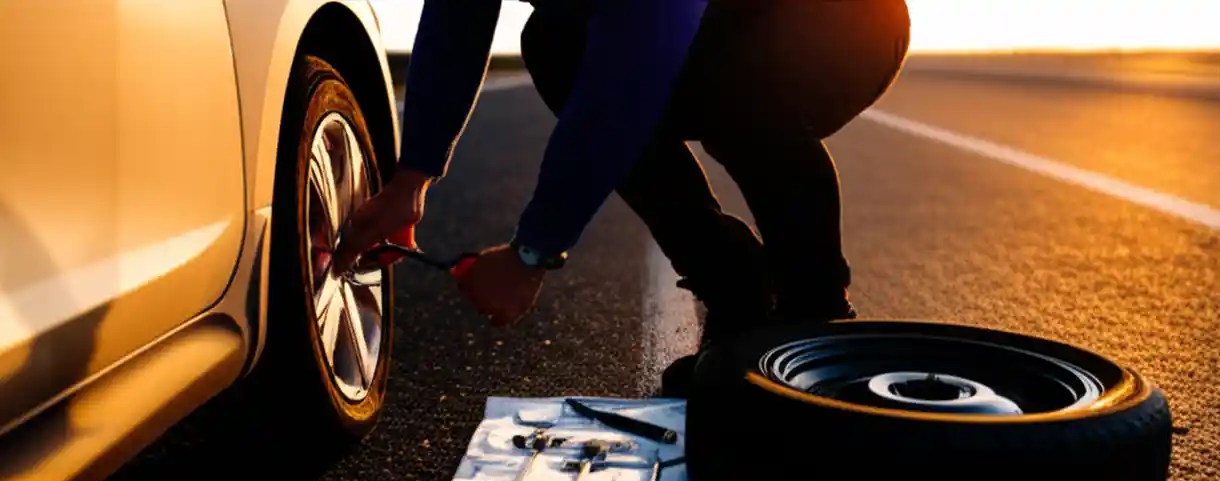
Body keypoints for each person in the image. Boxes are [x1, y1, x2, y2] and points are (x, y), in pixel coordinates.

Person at [334, 0, 911, 396]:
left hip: (840, 24)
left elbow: (629, 75)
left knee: (740, 96)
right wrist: (409, 181)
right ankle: (737, 289)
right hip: (711, 27)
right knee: (557, 42)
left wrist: (532, 253)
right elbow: (456, 22)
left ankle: (813, 311)